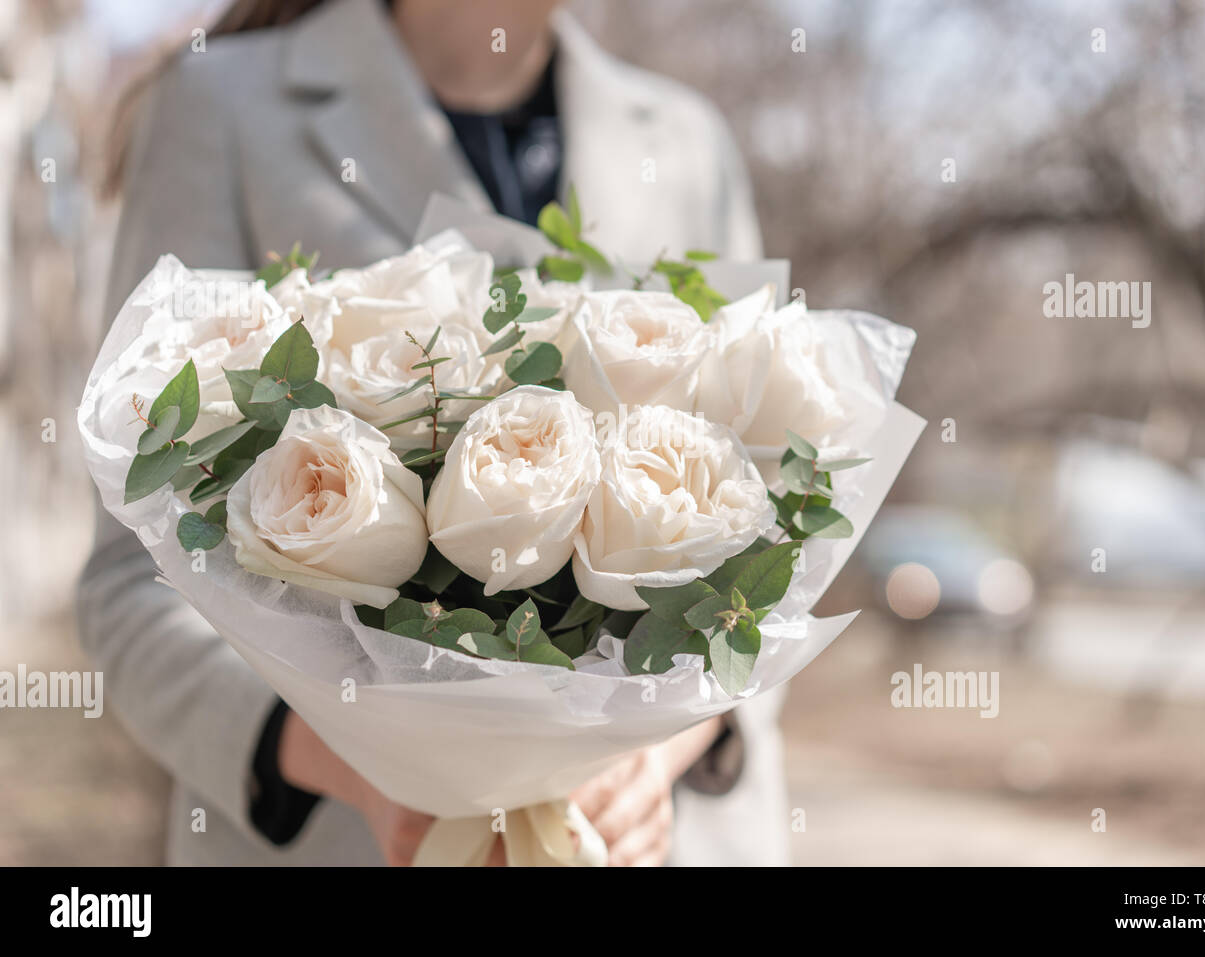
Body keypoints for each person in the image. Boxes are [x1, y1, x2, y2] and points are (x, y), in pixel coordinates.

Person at [81, 0, 789, 867]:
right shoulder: (218, 108)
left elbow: (774, 526)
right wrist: (378, 777)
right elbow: (132, 577)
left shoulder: (689, 142)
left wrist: (658, 753)